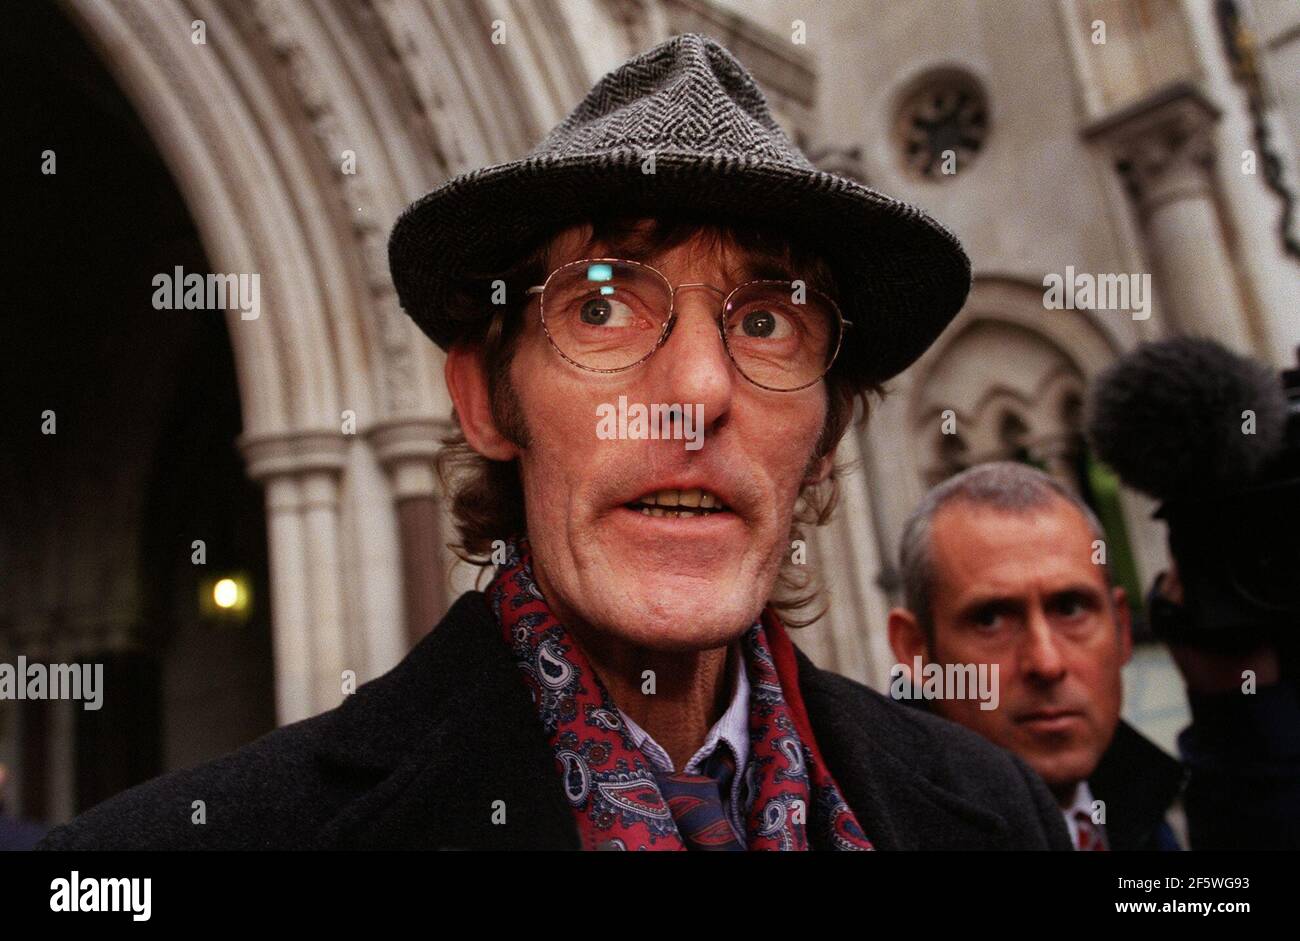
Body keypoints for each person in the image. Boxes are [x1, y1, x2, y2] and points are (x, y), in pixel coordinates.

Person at [39, 34, 1067, 851]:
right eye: (602, 307)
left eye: (766, 321)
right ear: (486, 402)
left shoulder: (994, 814)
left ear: (827, 431)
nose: (696, 393)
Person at [888, 460, 1300, 850]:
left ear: (1121, 628)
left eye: (1070, 609)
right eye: (990, 619)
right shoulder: (879, 826)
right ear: (915, 651)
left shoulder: (1137, 806)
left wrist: (1238, 716)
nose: (1047, 663)